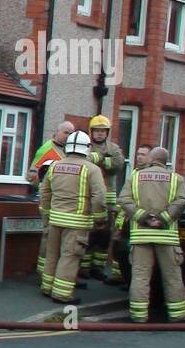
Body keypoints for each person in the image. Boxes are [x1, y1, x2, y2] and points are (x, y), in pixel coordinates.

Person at [119, 146, 185, 323]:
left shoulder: (135, 177)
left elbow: (124, 200)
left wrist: (144, 218)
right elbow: (181, 202)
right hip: (167, 237)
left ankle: (138, 315)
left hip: (141, 235)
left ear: (151, 159)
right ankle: (178, 315)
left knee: (140, 276)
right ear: (166, 161)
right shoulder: (176, 179)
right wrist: (163, 219)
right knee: (172, 276)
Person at [39, 130, 106, 304]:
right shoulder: (92, 169)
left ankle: (47, 287)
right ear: (87, 149)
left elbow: (44, 192)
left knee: (52, 254)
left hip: (54, 220)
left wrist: (46, 214)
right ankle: (61, 293)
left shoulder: (54, 166)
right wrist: (100, 219)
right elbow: (99, 197)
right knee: (69, 256)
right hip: (77, 222)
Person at [30, 121, 76, 280]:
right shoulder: (46, 149)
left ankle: (56, 273)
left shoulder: (67, 151)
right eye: (66, 133)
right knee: (49, 236)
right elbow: (31, 176)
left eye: (71, 133)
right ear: (57, 132)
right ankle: (44, 273)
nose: (69, 136)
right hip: (49, 200)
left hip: (63, 201)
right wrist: (46, 182)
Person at [85, 115, 125, 282]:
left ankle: (98, 267)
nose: (100, 134)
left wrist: (99, 159)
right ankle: (84, 268)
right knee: (88, 233)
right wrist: (101, 160)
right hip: (89, 197)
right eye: (97, 131)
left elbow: (118, 165)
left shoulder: (114, 148)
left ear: (107, 133)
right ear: (91, 132)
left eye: (103, 131)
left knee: (104, 235)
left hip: (107, 200)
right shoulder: (86, 146)